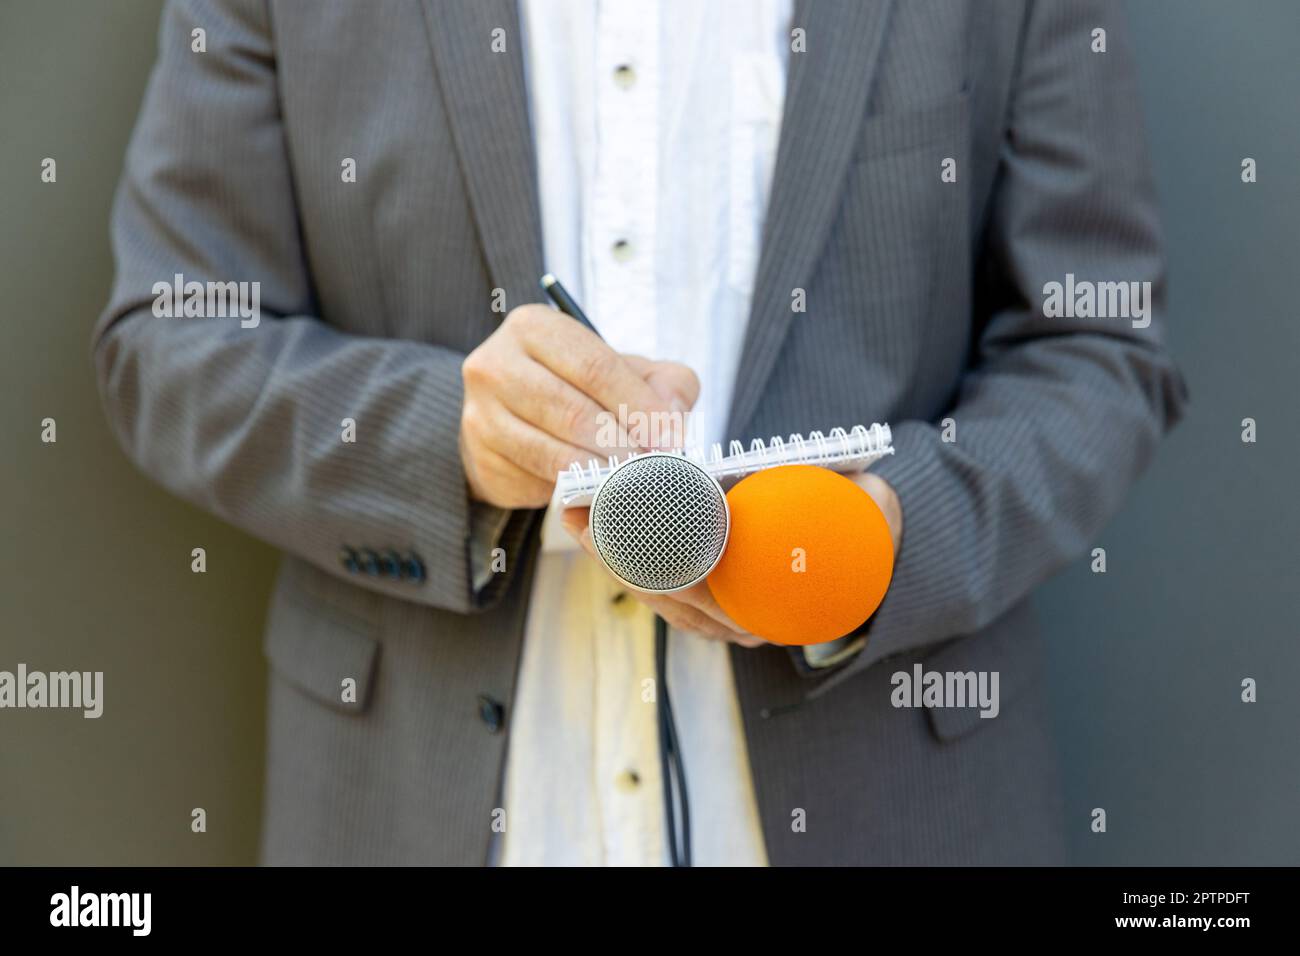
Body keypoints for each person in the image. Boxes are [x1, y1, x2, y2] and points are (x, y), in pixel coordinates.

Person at [94, 0, 1186, 865]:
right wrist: (448, 438)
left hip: (896, 794)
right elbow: (168, 340)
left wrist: (886, 539)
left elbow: (1100, 343)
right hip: (407, 800)